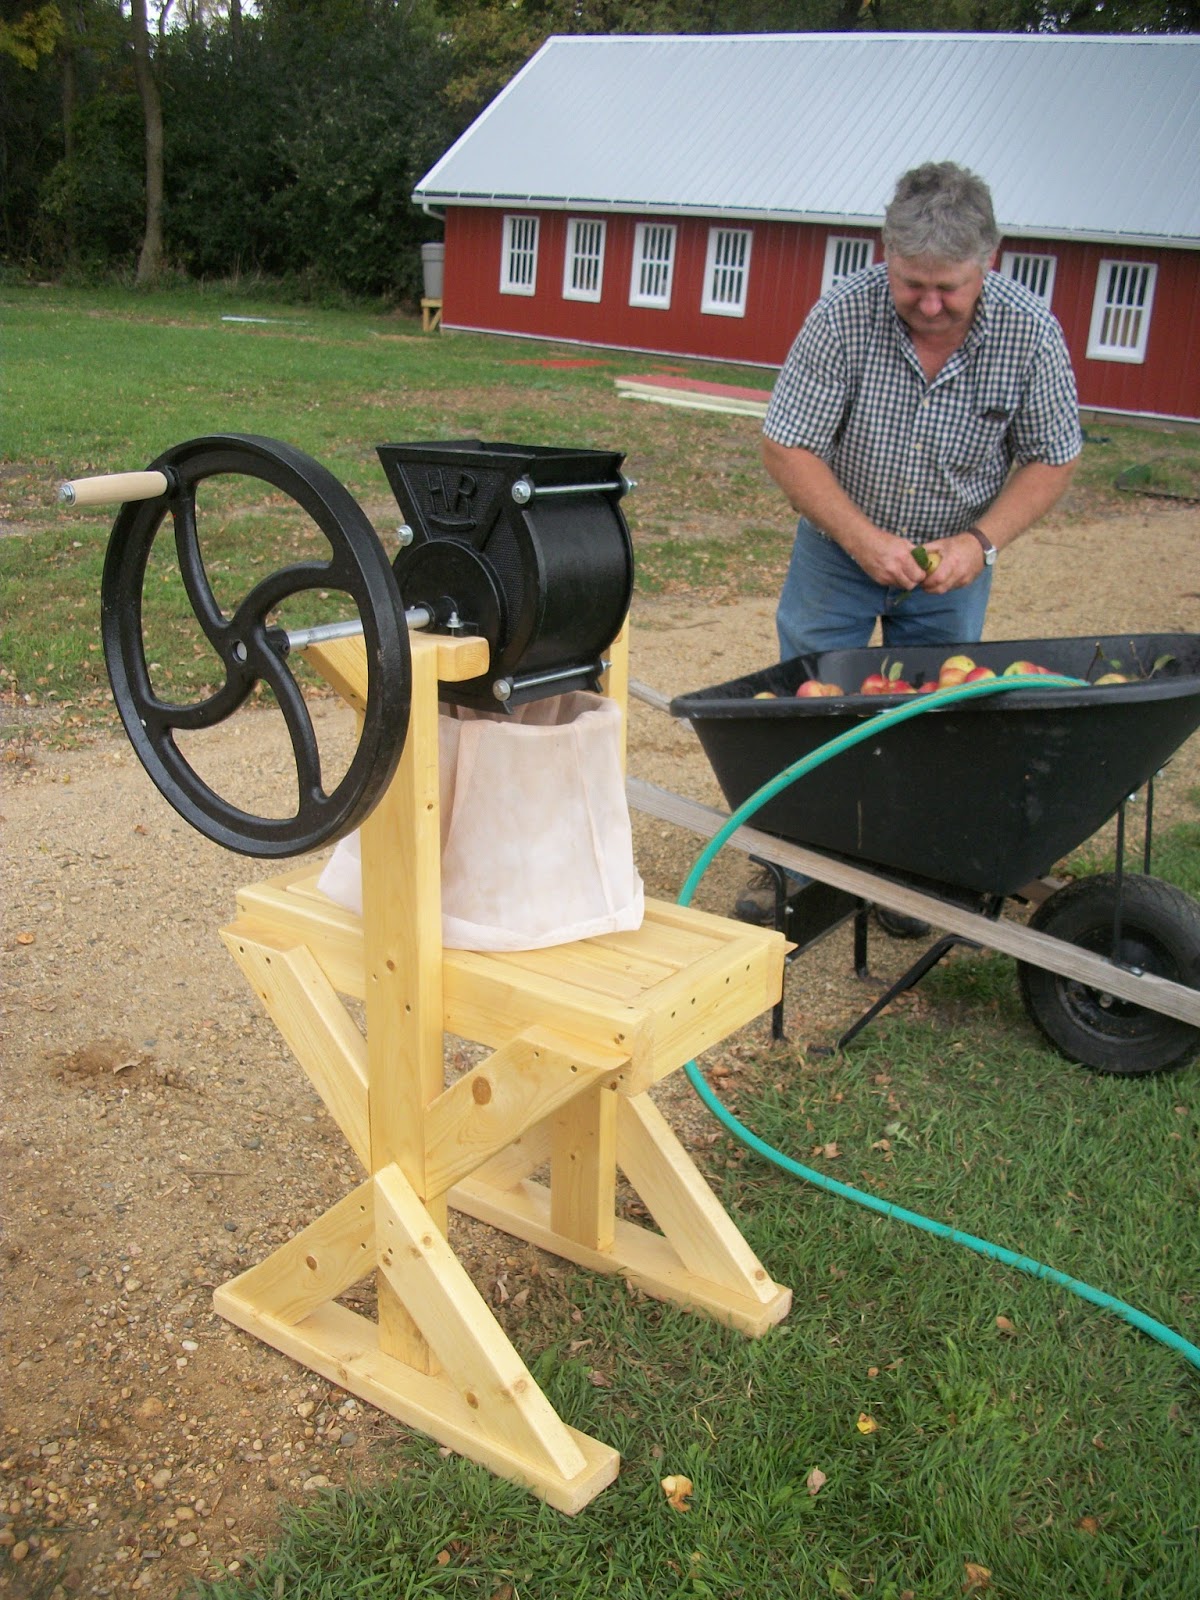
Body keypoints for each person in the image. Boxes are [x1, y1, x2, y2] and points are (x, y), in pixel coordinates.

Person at [735, 161, 1083, 928]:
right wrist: (860, 539)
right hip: (839, 548)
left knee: (936, 717)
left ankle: (912, 870)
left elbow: (1054, 456)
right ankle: (795, 862)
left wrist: (980, 542)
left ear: (988, 262)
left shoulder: (1029, 332)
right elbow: (787, 443)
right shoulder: (843, 315)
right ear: (885, 255)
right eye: (912, 283)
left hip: (954, 563)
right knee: (810, 703)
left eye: (947, 288)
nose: (929, 304)